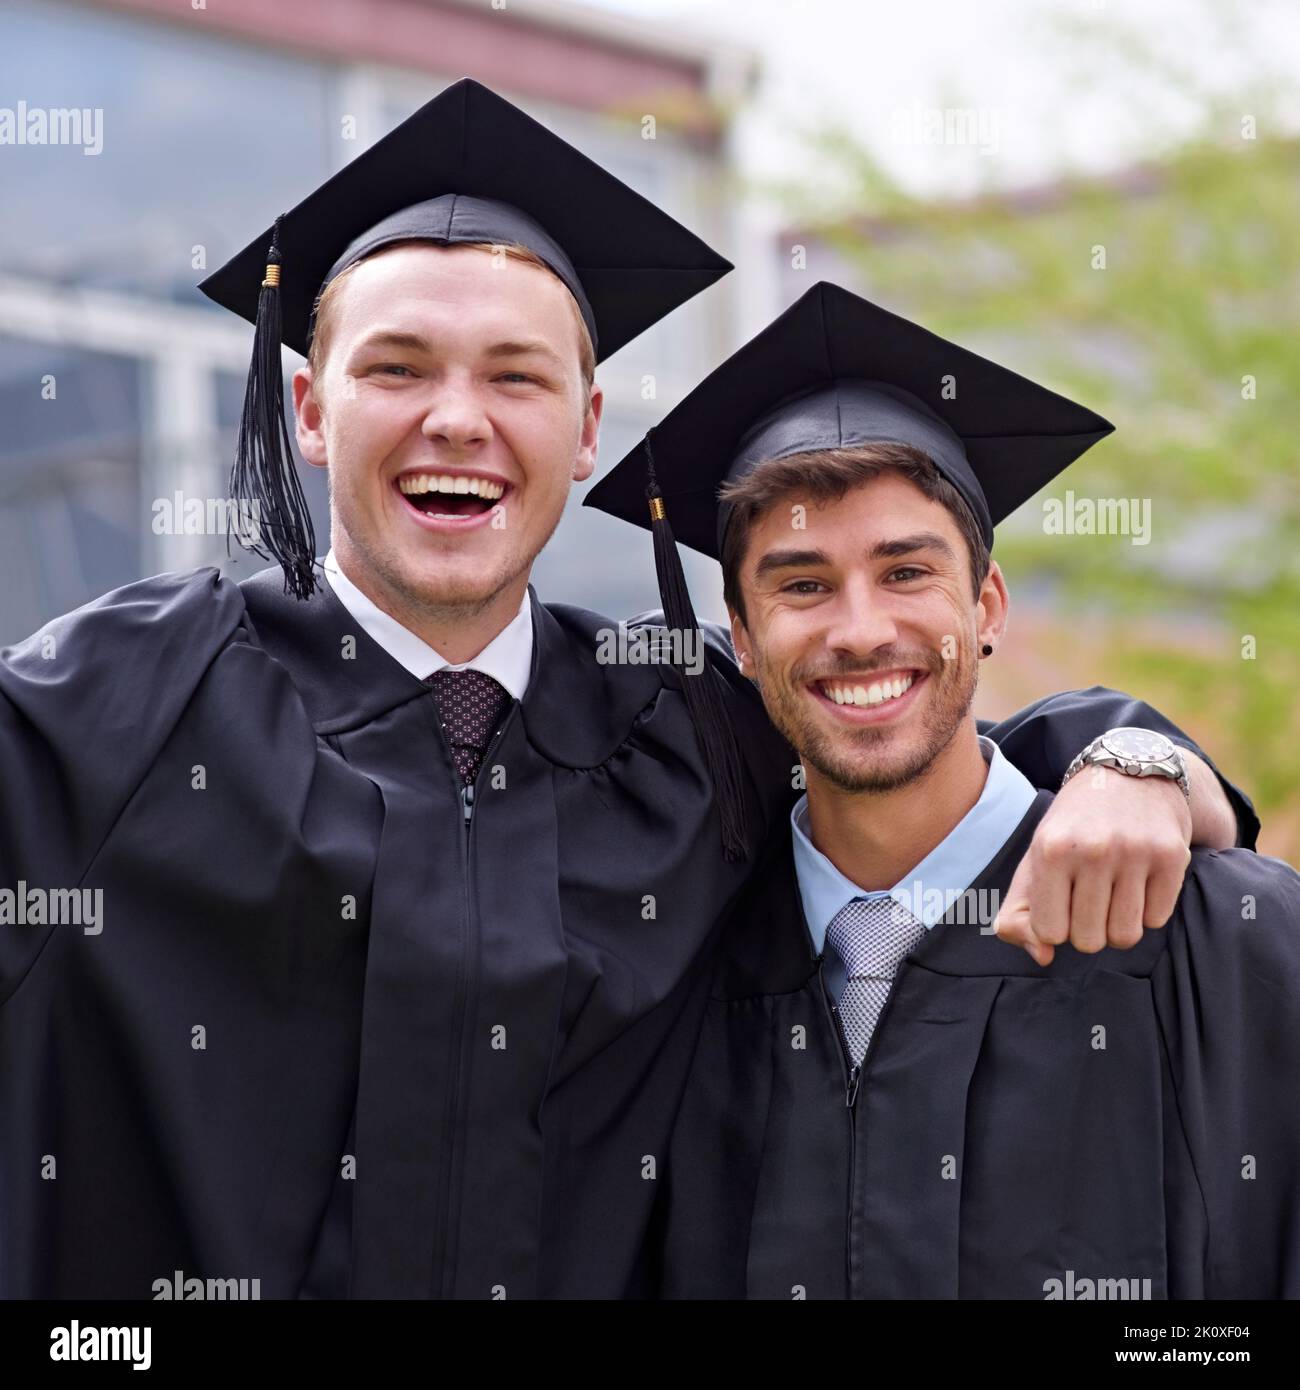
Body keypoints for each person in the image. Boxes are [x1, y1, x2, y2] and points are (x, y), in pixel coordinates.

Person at [0, 83, 1251, 1301]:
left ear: (588, 426)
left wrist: (1130, 753)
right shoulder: (130, 700)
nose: (456, 418)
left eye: (515, 376)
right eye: (398, 368)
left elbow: (898, 736)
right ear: (311, 409)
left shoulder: (678, 729)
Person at [593, 282, 1299, 1298]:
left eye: (906, 572)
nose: (860, 629)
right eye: (800, 585)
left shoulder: (1218, 937)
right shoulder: (677, 969)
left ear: (986, 605)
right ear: (739, 641)